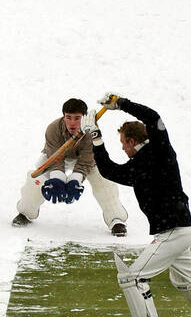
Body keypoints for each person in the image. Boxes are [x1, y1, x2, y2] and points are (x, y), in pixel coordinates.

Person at [88, 94, 191, 317]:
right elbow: (109, 171)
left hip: (174, 232)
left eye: (122, 143)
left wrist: (118, 106)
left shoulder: (157, 149)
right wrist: (98, 136)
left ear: (132, 141)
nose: (122, 148)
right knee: (183, 277)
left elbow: (152, 118)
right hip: (180, 229)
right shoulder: (144, 160)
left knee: (132, 277)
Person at [13, 97, 128, 235]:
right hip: (55, 157)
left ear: (84, 117)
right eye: (68, 117)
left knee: (104, 181)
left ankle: (116, 219)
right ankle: (25, 212)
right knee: (36, 181)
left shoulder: (92, 131)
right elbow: (54, 157)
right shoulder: (53, 128)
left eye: (77, 118)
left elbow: (85, 162)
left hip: (86, 160)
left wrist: (75, 180)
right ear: (63, 116)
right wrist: (57, 179)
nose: (72, 123)